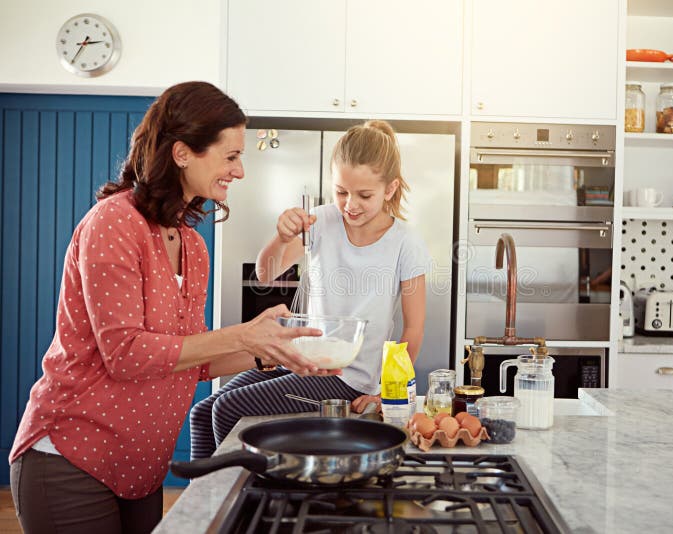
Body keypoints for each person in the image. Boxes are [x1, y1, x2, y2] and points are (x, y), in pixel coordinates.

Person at [8, 81, 338, 534]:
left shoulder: (191, 244)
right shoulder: (114, 223)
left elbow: (190, 360)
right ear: (183, 153)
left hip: (141, 469)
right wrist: (244, 335)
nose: (240, 171)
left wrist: (276, 352)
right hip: (72, 458)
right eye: (231, 156)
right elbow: (126, 354)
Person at [189, 120, 430, 459]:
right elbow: (266, 273)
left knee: (227, 408)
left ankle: (240, 502)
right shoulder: (321, 220)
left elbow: (414, 328)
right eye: (341, 191)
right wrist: (282, 237)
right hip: (300, 360)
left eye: (364, 195)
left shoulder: (406, 243)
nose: (350, 205)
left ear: (389, 190)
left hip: (347, 379)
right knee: (202, 413)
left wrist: (388, 393)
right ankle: (207, 505)